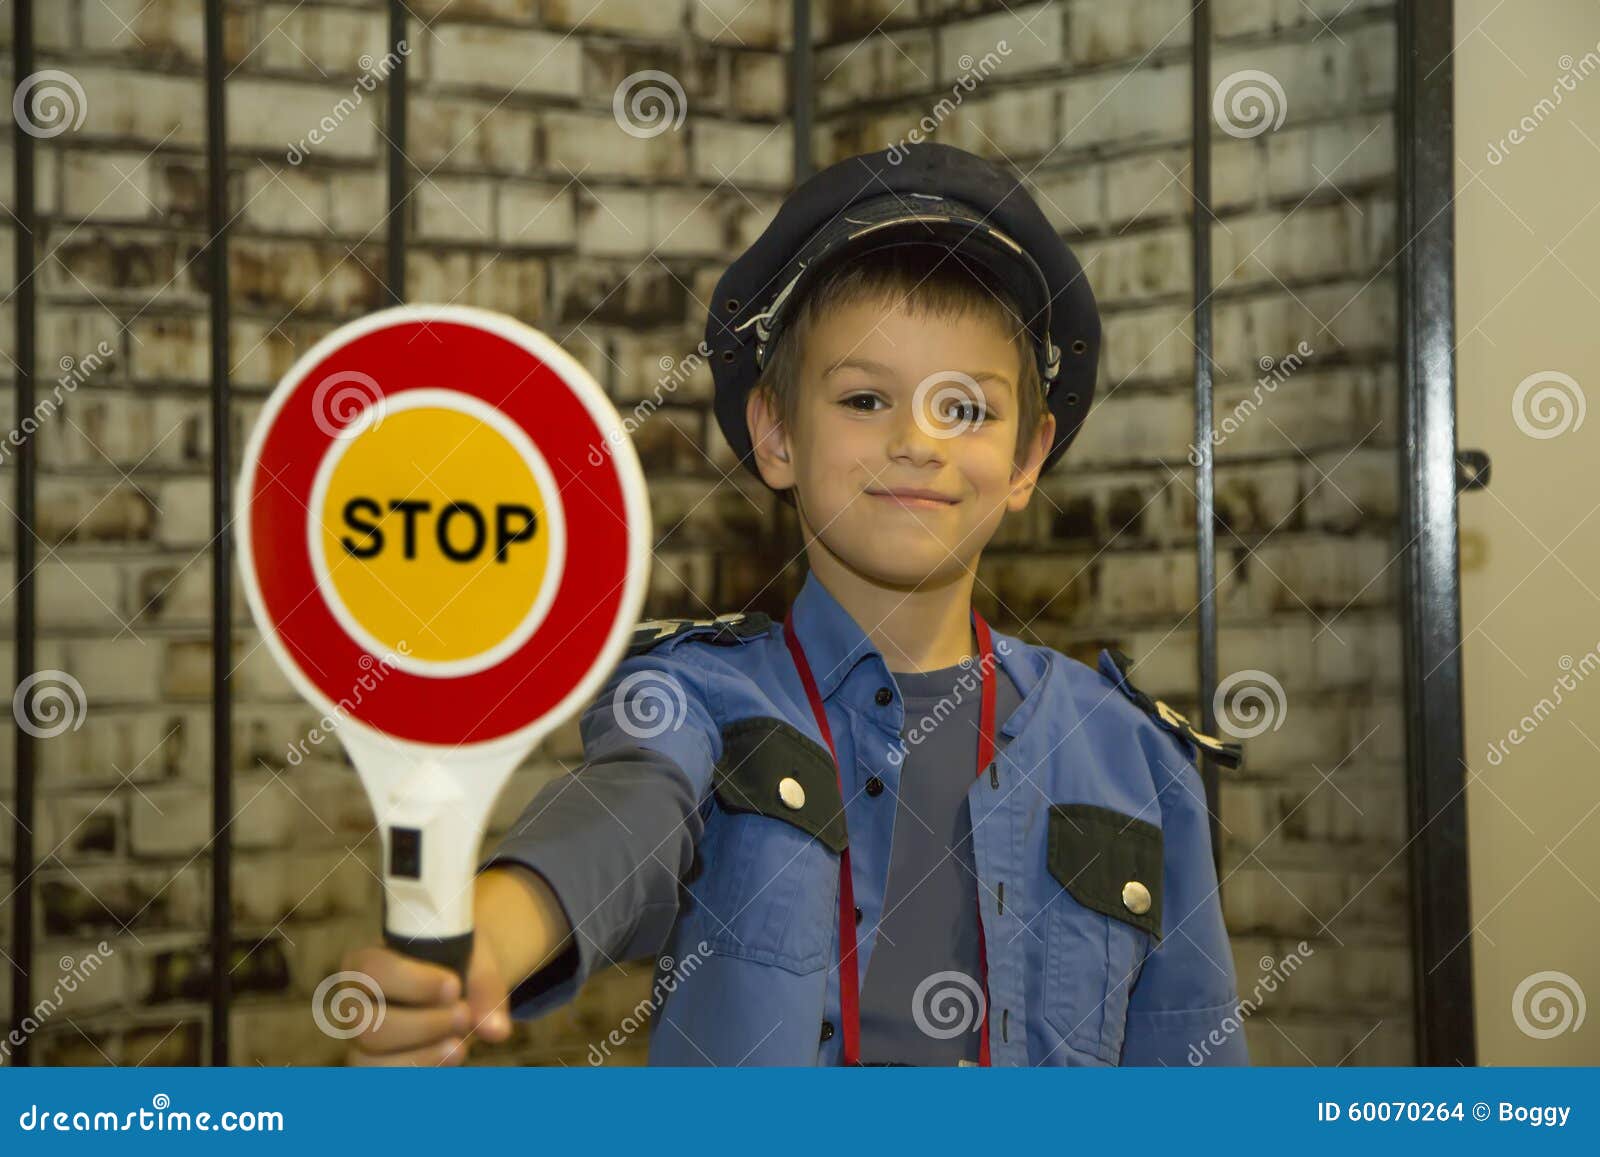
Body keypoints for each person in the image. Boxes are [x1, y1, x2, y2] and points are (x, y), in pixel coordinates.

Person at [342, 142, 1248, 1067]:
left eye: (967, 409)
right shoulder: (696, 701)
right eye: (864, 397)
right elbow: (620, 820)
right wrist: (484, 947)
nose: (917, 441)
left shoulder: (1135, 756)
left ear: (1027, 457)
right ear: (776, 435)